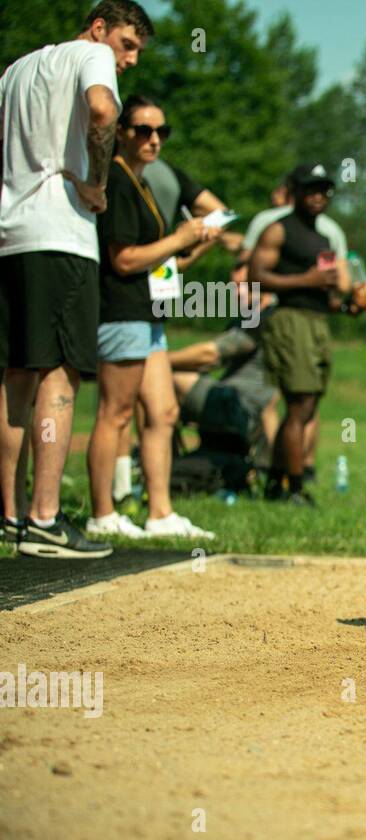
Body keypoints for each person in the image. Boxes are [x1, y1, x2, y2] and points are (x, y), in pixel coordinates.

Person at [0, 0, 152, 558]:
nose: (129, 59)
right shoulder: (92, 54)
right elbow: (103, 112)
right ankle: (44, 519)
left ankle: (12, 516)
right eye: (127, 44)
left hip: (10, 234)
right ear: (98, 27)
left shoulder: (15, 72)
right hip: (60, 234)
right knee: (59, 377)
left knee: (16, 374)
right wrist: (95, 181)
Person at [85, 94, 219, 540]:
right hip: (121, 311)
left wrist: (194, 246)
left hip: (149, 311)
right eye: (143, 130)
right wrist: (180, 236)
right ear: (121, 132)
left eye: (162, 131)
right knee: (116, 413)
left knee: (162, 412)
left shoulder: (142, 183)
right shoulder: (119, 182)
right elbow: (123, 259)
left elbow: (159, 262)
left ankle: (160, 513)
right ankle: (102, 512)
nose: (154, 139)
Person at [248, 162, 350, 505]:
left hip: (317, 321)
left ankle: (275, 482)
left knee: (307, 406)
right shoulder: (279, 230)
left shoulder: (322, 237)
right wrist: (304, 282)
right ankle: (295, 488)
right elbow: (256, 275)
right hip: (290, 321)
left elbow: (322, 286)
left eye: (324, 190)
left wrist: (340, 301)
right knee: (298, 403)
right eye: (311, 189)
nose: (319, 196)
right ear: (295, 191)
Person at [169, 319, 278, 470]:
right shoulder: (271, 319)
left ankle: (166, 462)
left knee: (169, 377)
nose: (237, 294)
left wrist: (160, 361)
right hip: (248, 406)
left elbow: (210, 354)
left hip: (238, 406)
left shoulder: (259, 321)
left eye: (245, 293)